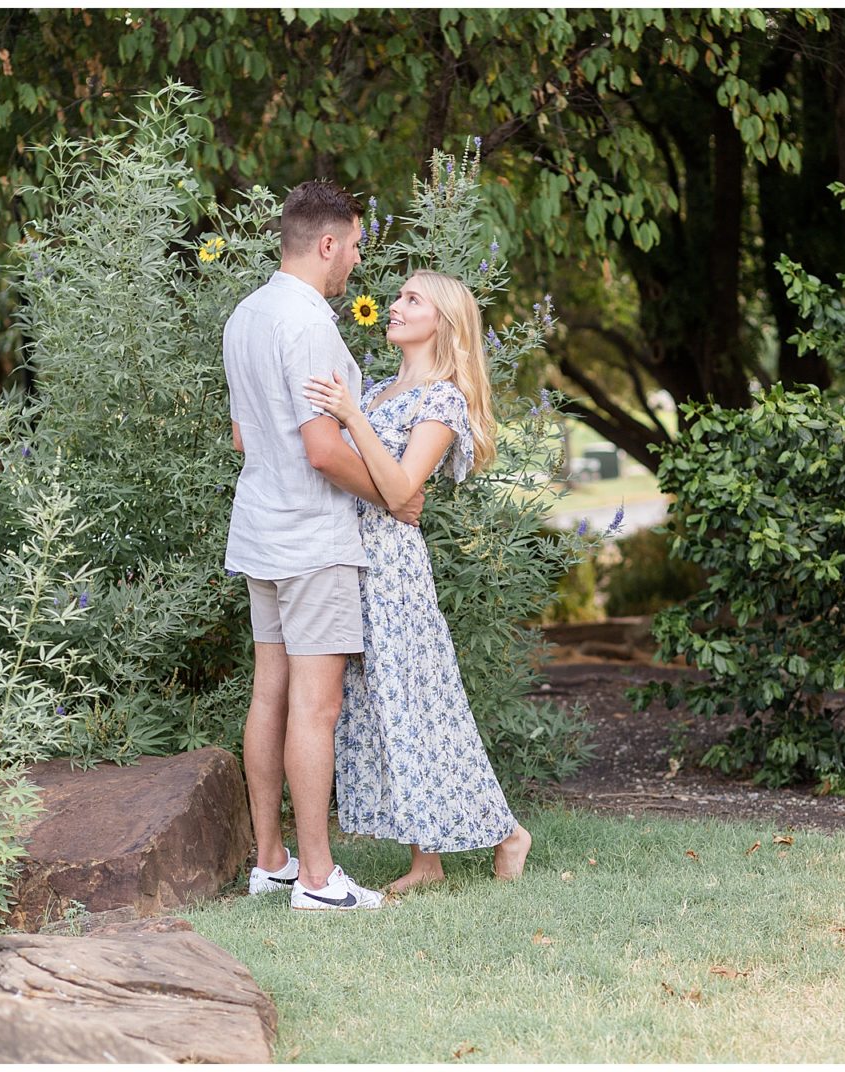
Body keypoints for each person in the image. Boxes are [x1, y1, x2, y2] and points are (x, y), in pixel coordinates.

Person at [223, 179, 424, 912]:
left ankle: (270, 862)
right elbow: (321, 449)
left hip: (260, 530)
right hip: (311, 538)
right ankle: (315, 879)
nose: (358, 264)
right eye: (357, 247)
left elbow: (245, 435)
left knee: (268, 694)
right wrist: (394, 495)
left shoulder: (246, 315)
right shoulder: (307, 323)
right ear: (329, 243)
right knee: (317, 707)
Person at [303, 269, 533, 894]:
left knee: (421, 708)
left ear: (444, 323)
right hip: (348, 558)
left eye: (412, 300)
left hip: (394, 575)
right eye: (398, 297)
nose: (395, 306)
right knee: (386, 711)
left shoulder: (442, 400)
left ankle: (507, 832)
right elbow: (377, 482)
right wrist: (362, 425)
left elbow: (404, 489)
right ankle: (426, 862)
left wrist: (351, 417)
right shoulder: (376, 390)